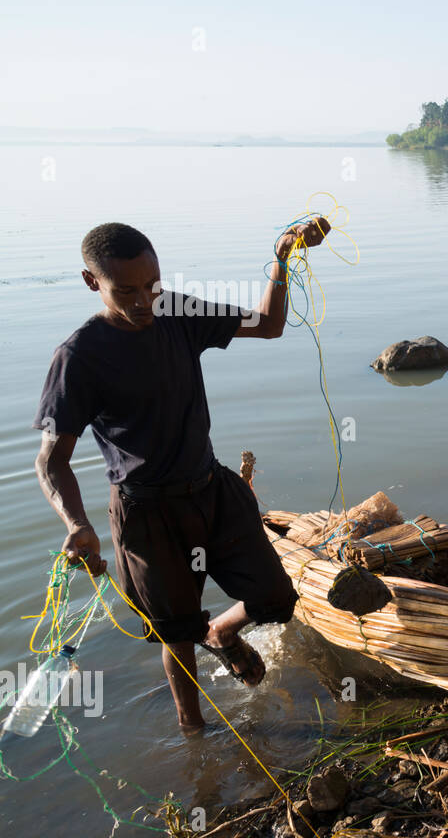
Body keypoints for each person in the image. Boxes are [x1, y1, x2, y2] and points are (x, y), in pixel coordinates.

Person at [34, 217, 330, 731]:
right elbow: (52, 460)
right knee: (175, 631)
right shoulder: (79, 357)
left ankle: (221, 633)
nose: (145, 300)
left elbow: (268, 323)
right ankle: (195, 734)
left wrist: (282, 260)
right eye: (126, 291)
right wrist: (76, 524)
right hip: (147, 512)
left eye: (152, 285)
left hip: (212, 490)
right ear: (91, 283)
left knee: (275, 597)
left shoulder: (175, 310)